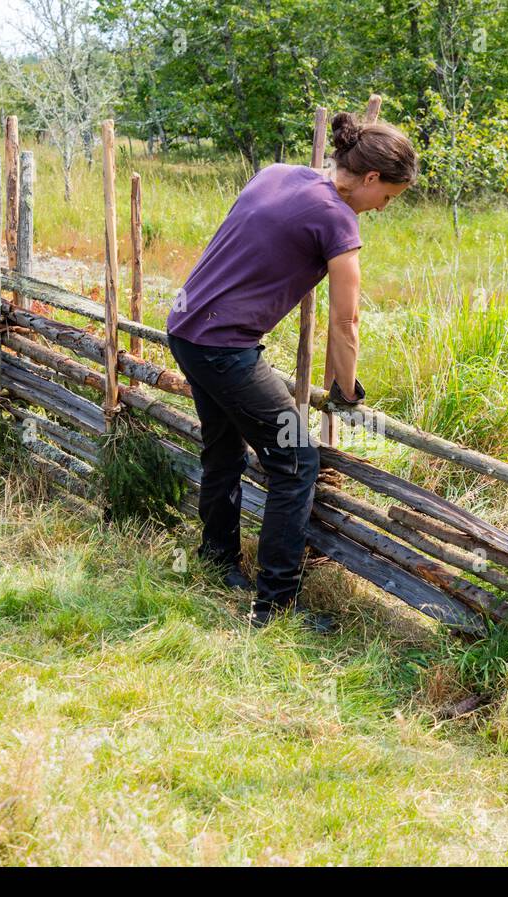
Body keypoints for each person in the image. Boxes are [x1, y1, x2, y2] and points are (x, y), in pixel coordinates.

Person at [166, 111, 418, 628]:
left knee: (222, 447)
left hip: (185, 327)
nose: (383, 207)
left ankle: (217, 561)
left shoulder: (277, 172)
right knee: (297, 459)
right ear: (371, 178)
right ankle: (276, 605)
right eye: (388, 196)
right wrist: (346, 390)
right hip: (225, 347)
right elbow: (345, 321)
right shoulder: (339, 220)